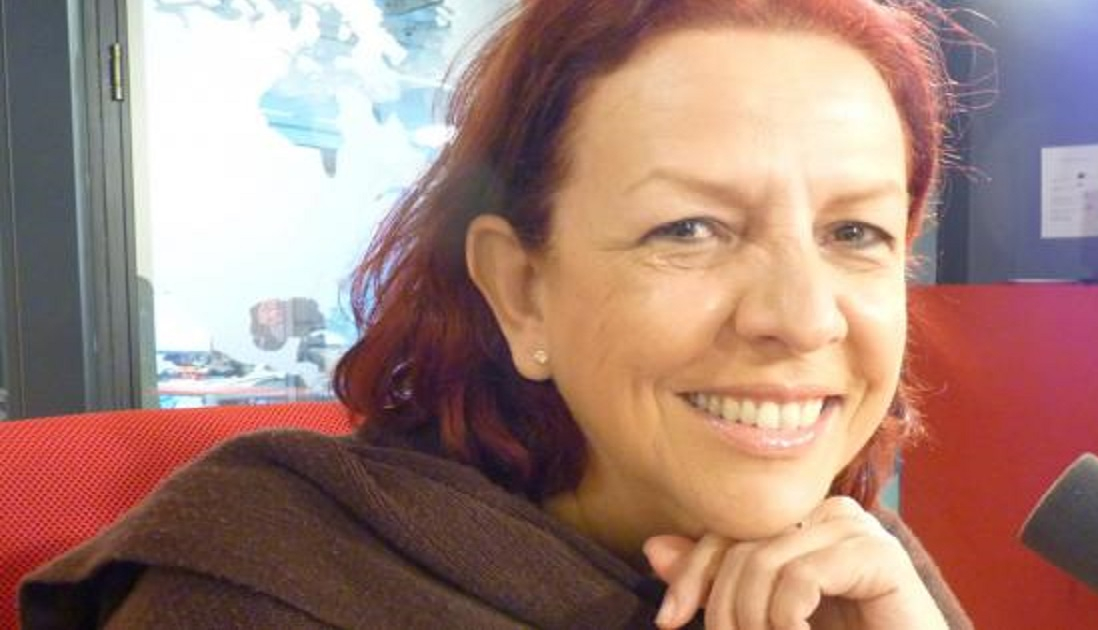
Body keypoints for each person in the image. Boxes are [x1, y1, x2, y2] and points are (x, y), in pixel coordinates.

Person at [21, 1, 974, 628]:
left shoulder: (856, 573)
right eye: (689, 229)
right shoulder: (273, 587)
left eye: (855, 233)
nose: (801, 318)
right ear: (520, 291)